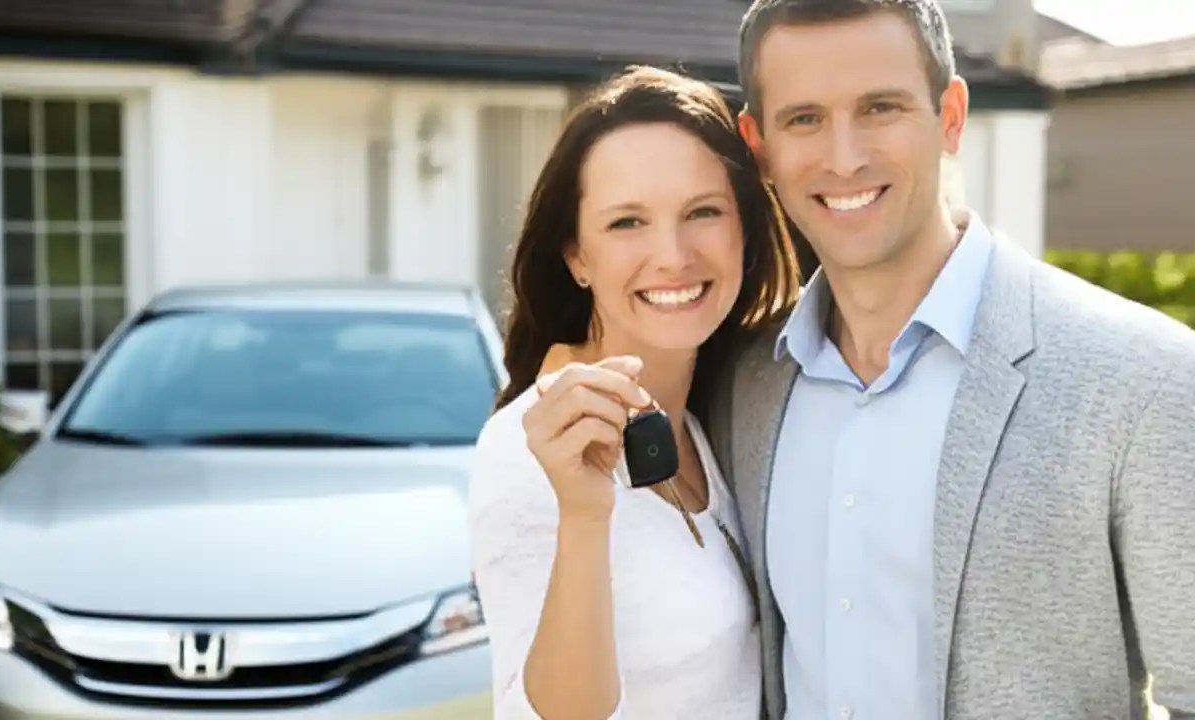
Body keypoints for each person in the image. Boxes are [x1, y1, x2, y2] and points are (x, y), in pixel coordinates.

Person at [709, 1, 1195, 719]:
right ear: (760, 147)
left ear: (951, 116)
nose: (844, 157)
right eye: (804, 118)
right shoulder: (740, 386)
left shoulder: (1144, 380)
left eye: (880, 108)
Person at [467, 65, 798, 719]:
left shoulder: (711, 417)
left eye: (703, 212)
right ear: (577, 256)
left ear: (745, 232)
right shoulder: (533, 453)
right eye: (627, 223)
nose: (673, 255)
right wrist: (584, 516)